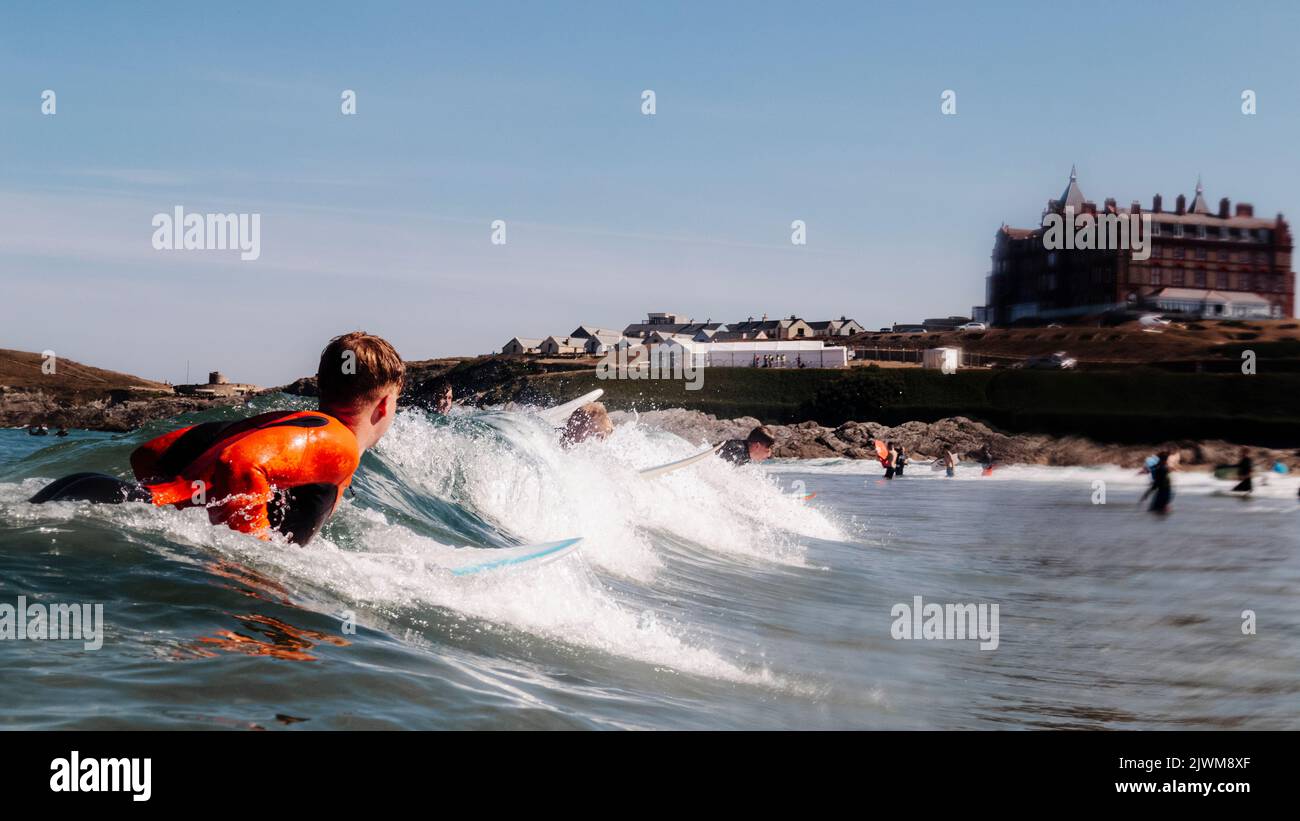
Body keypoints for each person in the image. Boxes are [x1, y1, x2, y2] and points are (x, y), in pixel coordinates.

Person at [30, 332, 404, 546]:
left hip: (91, 491)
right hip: (106, 506)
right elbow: (237, 463)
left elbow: (150, 453)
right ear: (385, 404)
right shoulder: (337, 445)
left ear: (322, 384)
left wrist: (178, 512)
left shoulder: (283, 423)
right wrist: (253, 557)